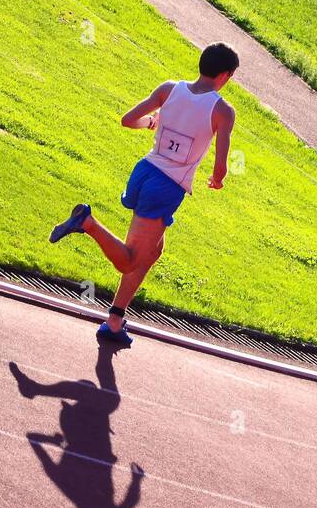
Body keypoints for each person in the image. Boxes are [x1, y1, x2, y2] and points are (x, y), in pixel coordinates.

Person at [49, 42, 239, 345]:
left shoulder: (169, 88)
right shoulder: (223, 111)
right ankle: (87, 223)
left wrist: (152, 122)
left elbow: (128, 120)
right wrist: (216, 181)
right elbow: (221, 167)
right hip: (166, 188)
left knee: (152, 252)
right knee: (129, 261)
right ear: (226, 75)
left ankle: (114, 320)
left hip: (144, 171)